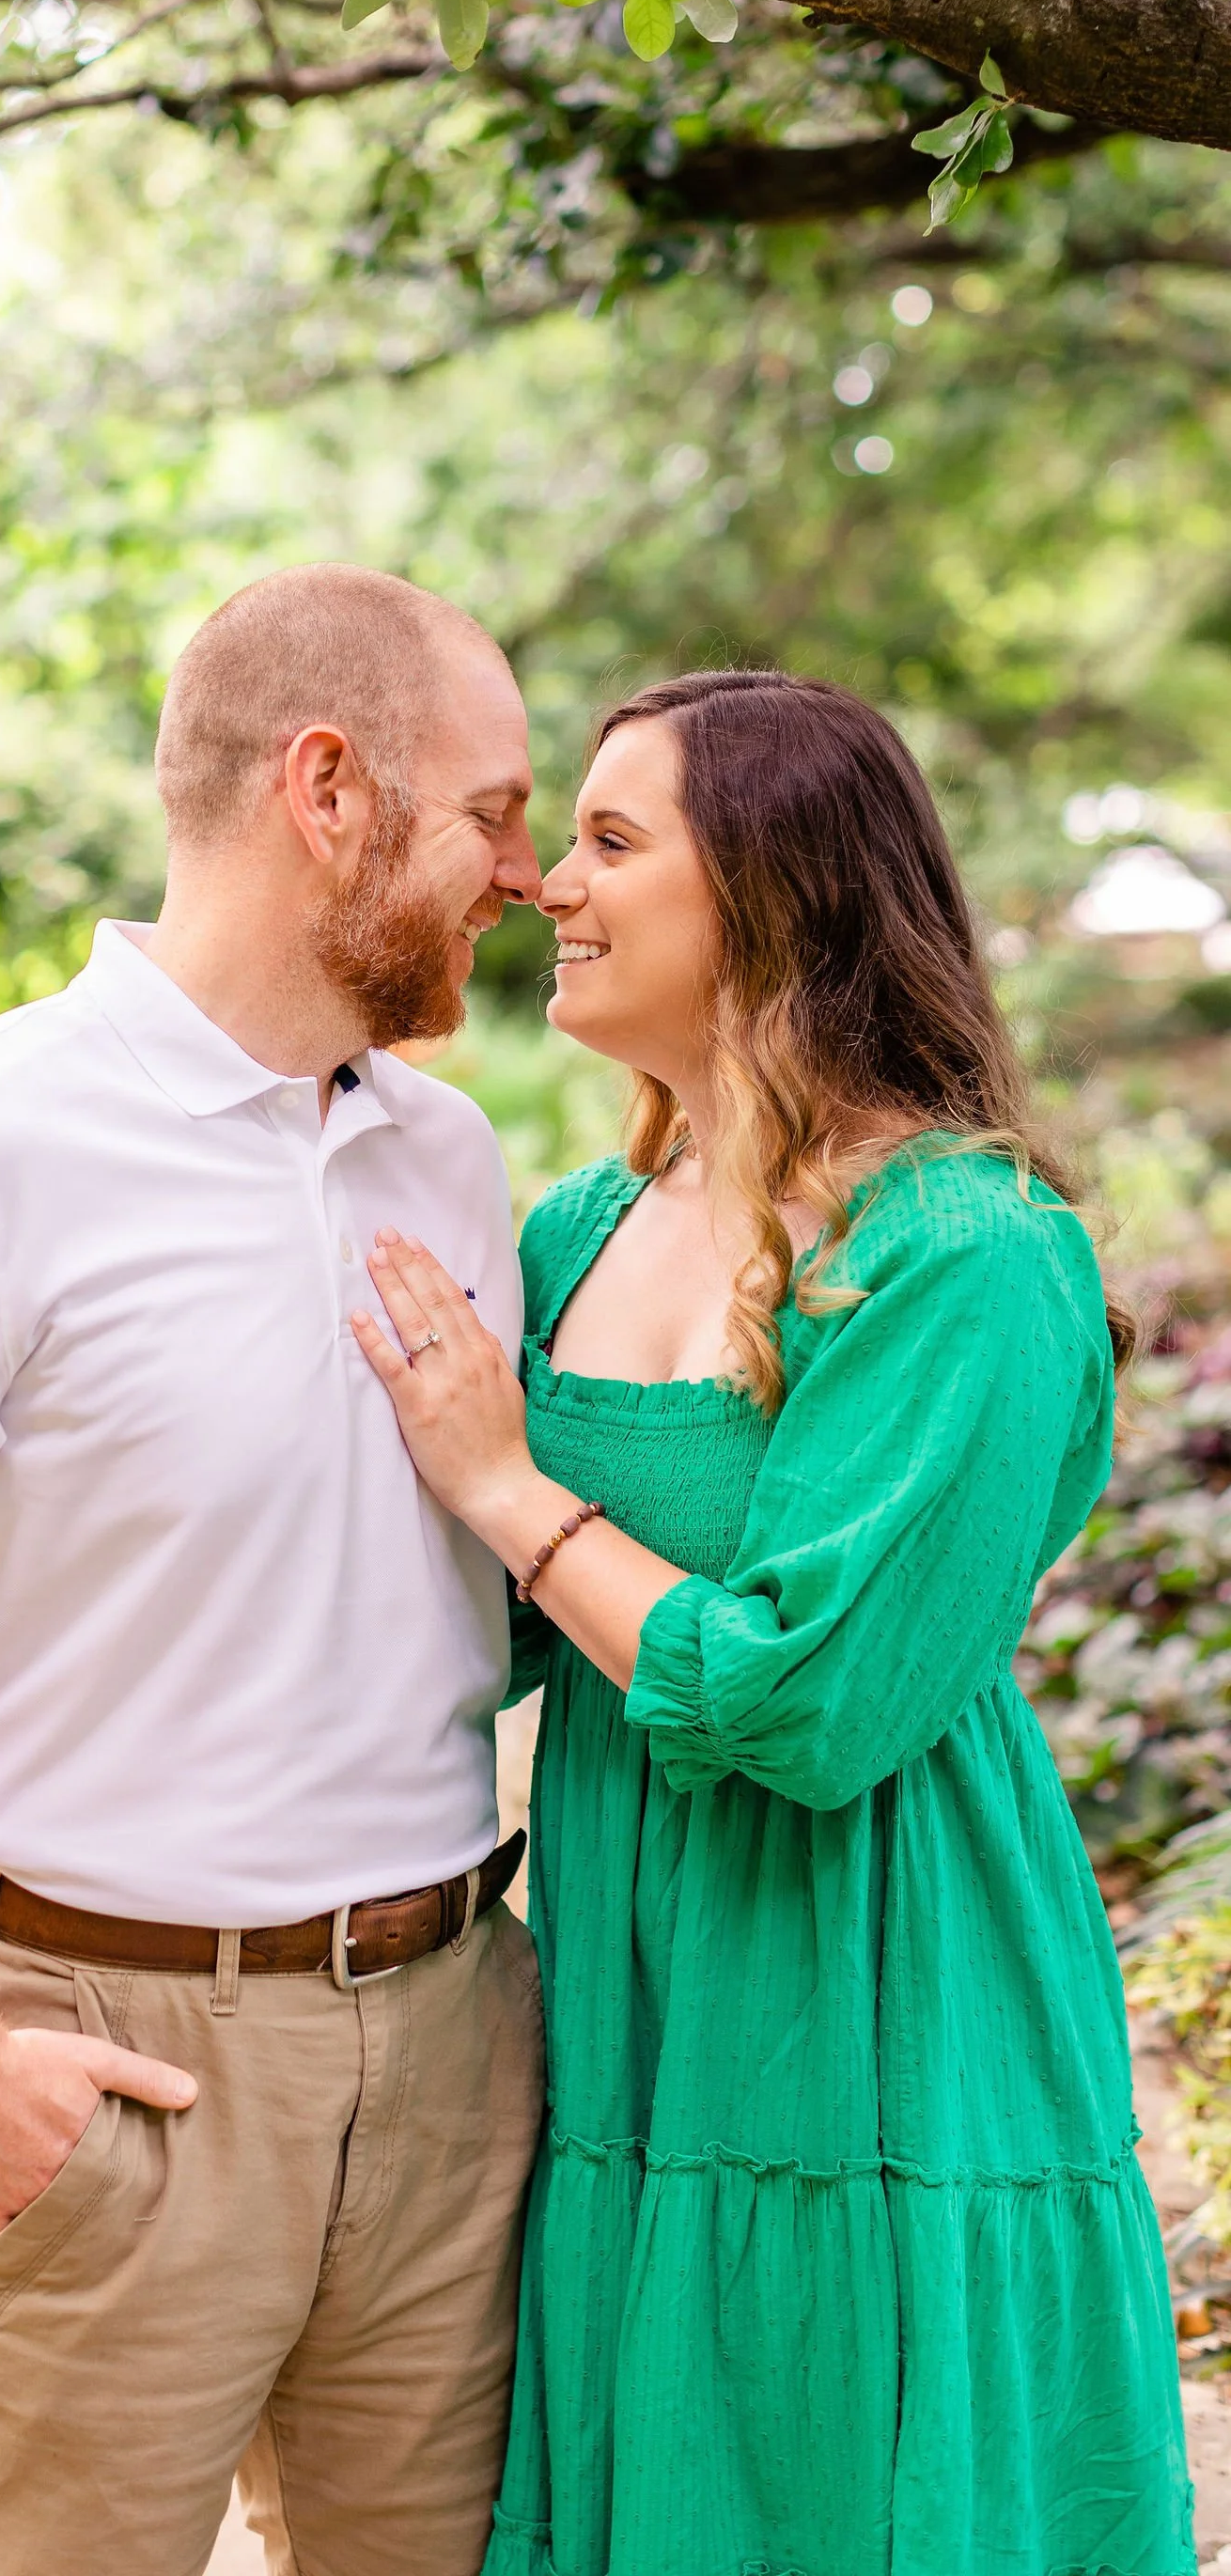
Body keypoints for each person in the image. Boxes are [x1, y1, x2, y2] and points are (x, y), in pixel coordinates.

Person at [0, 562, 549, 2576]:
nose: (522, 872)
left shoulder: (449, 1155)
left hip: (446, 2060)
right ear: (327, 790)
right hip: (108, 2072)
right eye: (493, 811)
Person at [351, 670, 1194, 2576]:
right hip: (625, 2021)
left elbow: (805, 1704)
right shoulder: (575, 1228)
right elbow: (468, 1635)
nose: (543, 884)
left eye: (609, 841)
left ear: (780, 892)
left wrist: (505, 1484)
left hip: (874, 2004)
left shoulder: (963, 1255)